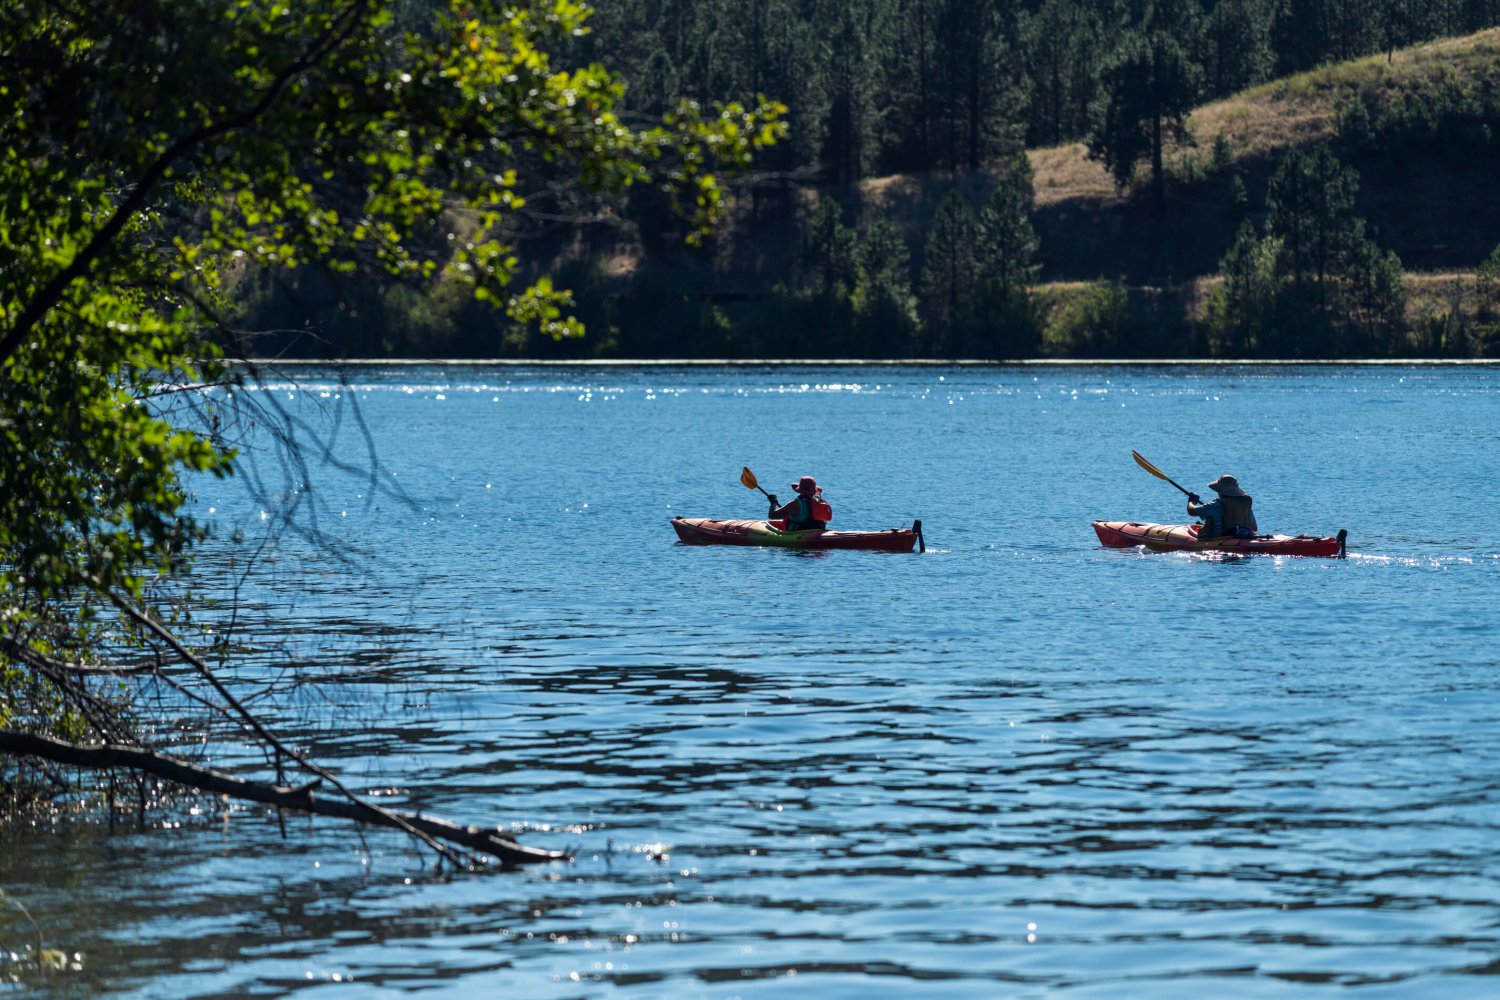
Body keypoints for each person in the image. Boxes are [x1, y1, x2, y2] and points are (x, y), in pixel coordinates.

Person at [1186, 474, 1258, 539]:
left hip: (1220, 539)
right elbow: (1254, 528)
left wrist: (1192, 501)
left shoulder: (1215, 505)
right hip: (1244, 536)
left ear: (1220, 491)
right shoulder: (1244, 504)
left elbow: (1191, 511)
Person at [765, 476, 832, 531]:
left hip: (798, 535)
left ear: (800, 490)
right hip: (818, 532)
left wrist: (773, 502)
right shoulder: (819, 502)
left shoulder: (795, 504)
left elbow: (772, 515)